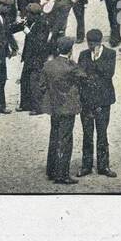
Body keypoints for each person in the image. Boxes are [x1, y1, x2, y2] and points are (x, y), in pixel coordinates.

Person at [42, 36, 85, 184]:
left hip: (54, 107)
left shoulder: (48, 65)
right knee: (65, 140)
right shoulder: (71, 66)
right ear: (70, 50)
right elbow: (83, 76)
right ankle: (62, 174)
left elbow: (42, 86)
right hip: (68, 108)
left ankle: (51, 170)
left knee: (54, 137)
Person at [77, 29, 118, 178]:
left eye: (94, 43)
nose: (91, 46)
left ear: (100, 42)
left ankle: (103, 166)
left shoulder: (110, 54)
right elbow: (80, 74)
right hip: (87, 101)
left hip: (103, 100)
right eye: (89, 43)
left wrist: (95, 61)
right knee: (87, 134)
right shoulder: (83, 55)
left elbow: (109, 73)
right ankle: (86, 166)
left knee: (102, 134)